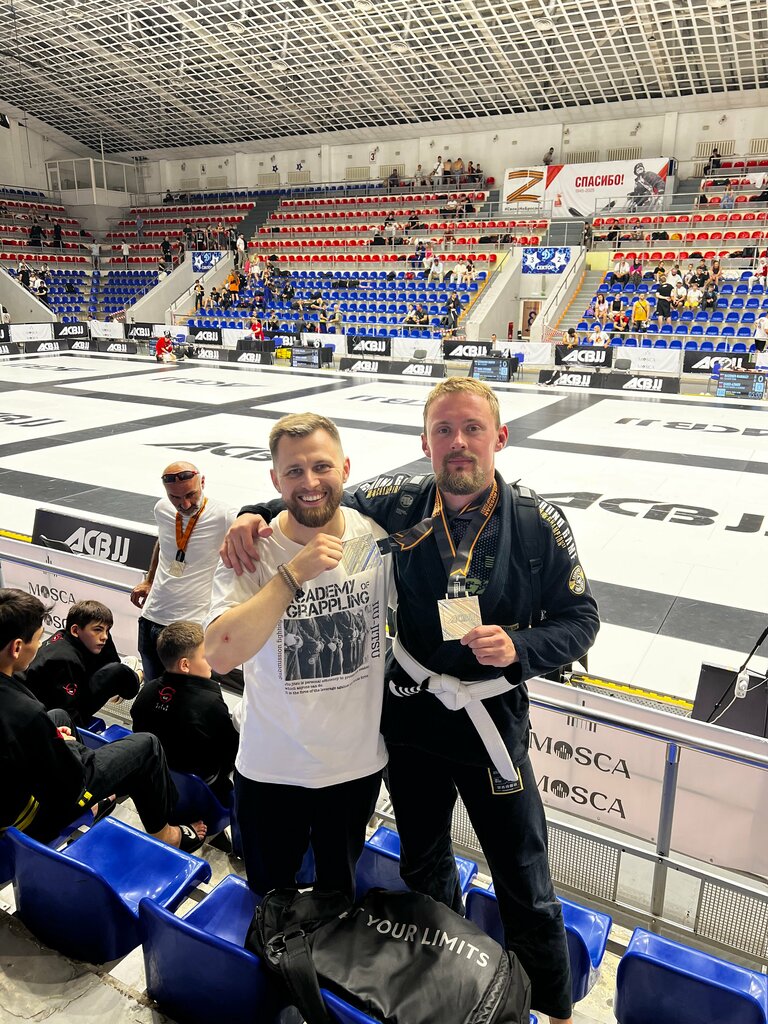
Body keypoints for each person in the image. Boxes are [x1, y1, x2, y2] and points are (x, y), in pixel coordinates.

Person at [220, 379, 600, 1023]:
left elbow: (582, 620)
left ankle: (554, 1009)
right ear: (424, 443)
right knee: (424, 862)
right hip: (412, 718)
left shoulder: (537, 522)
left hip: (489, 725)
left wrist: (522, 645)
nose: (458, 444)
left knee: (524, 874)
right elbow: (314, 494)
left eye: (472, 430)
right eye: (444, 431)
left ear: (499, 438)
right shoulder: (397, 502)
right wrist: (249, 515)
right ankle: (452, 987)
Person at [205, 413, 392, 901]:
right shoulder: (252, 549)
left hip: (355, 769)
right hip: (271, 769)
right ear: (274, 479)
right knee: (269, 901)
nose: (309, 483)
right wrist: (291, 575)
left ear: (346, 468)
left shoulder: (375, 535)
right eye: (293, 471)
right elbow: (219, 655)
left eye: (321, 467)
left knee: (339, 894)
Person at [0, 589, 206, 852]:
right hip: (28, 818)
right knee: (147, 747)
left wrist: (51, 739)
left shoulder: (21, 705)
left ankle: (100, 797)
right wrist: (65, 748)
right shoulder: (25, 712)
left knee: (58, 715)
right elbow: (71, 783)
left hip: (17, 782)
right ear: (17, 647)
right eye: (38, 640)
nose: (40, 645)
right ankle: (166, 834)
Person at [130, 463, 235, 682]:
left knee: (187, 696)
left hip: (190, 627)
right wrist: (149, 580)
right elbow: (164, 542)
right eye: (175, 497)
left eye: (191, 494)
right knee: (154, 689)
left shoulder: (224, 516)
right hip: (150, 618)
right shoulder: (162, 509)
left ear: (203, 482)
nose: (184, 504)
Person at [130, 621, 238, 802]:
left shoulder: (146, 692)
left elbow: (139, 734)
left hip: (156, 784)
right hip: (203, 789)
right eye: (206, 656)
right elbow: (229, 751)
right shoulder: (210, 703)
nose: (212, 659)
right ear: (185, 664)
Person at [21, 600, 140, 728]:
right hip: (59, 716)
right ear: (75, 630)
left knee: (103, 645)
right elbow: (69, 714)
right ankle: (135, 678)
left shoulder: (63, 634)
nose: (104, 636)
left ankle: (120, 684)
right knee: (118, 671)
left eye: (107, 630)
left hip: (54, 693)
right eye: (98, 630)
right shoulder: (64, 661)